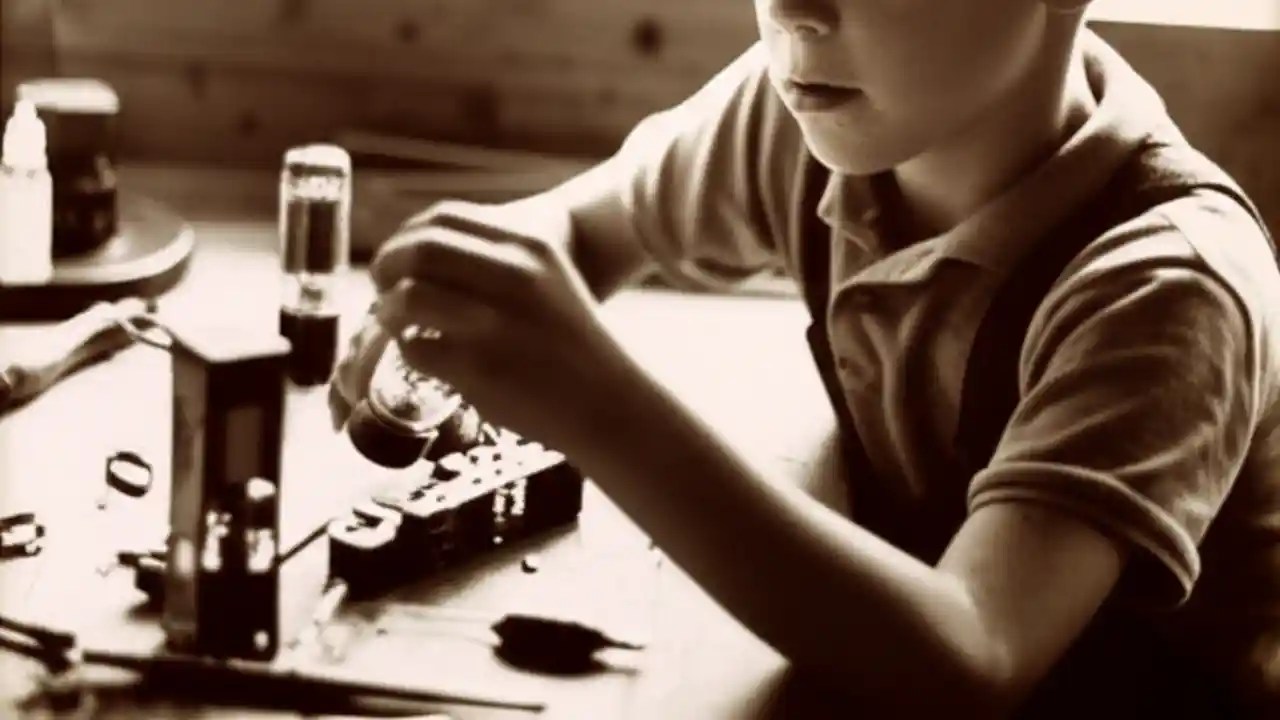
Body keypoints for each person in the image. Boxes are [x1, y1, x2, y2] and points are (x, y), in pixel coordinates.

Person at [328, 1, 1280, 716]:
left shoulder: (1169, 282)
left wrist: (598, 406)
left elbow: (973, 660)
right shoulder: (816, 112)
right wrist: (468, 287)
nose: (792, 9)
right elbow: (586, 224)